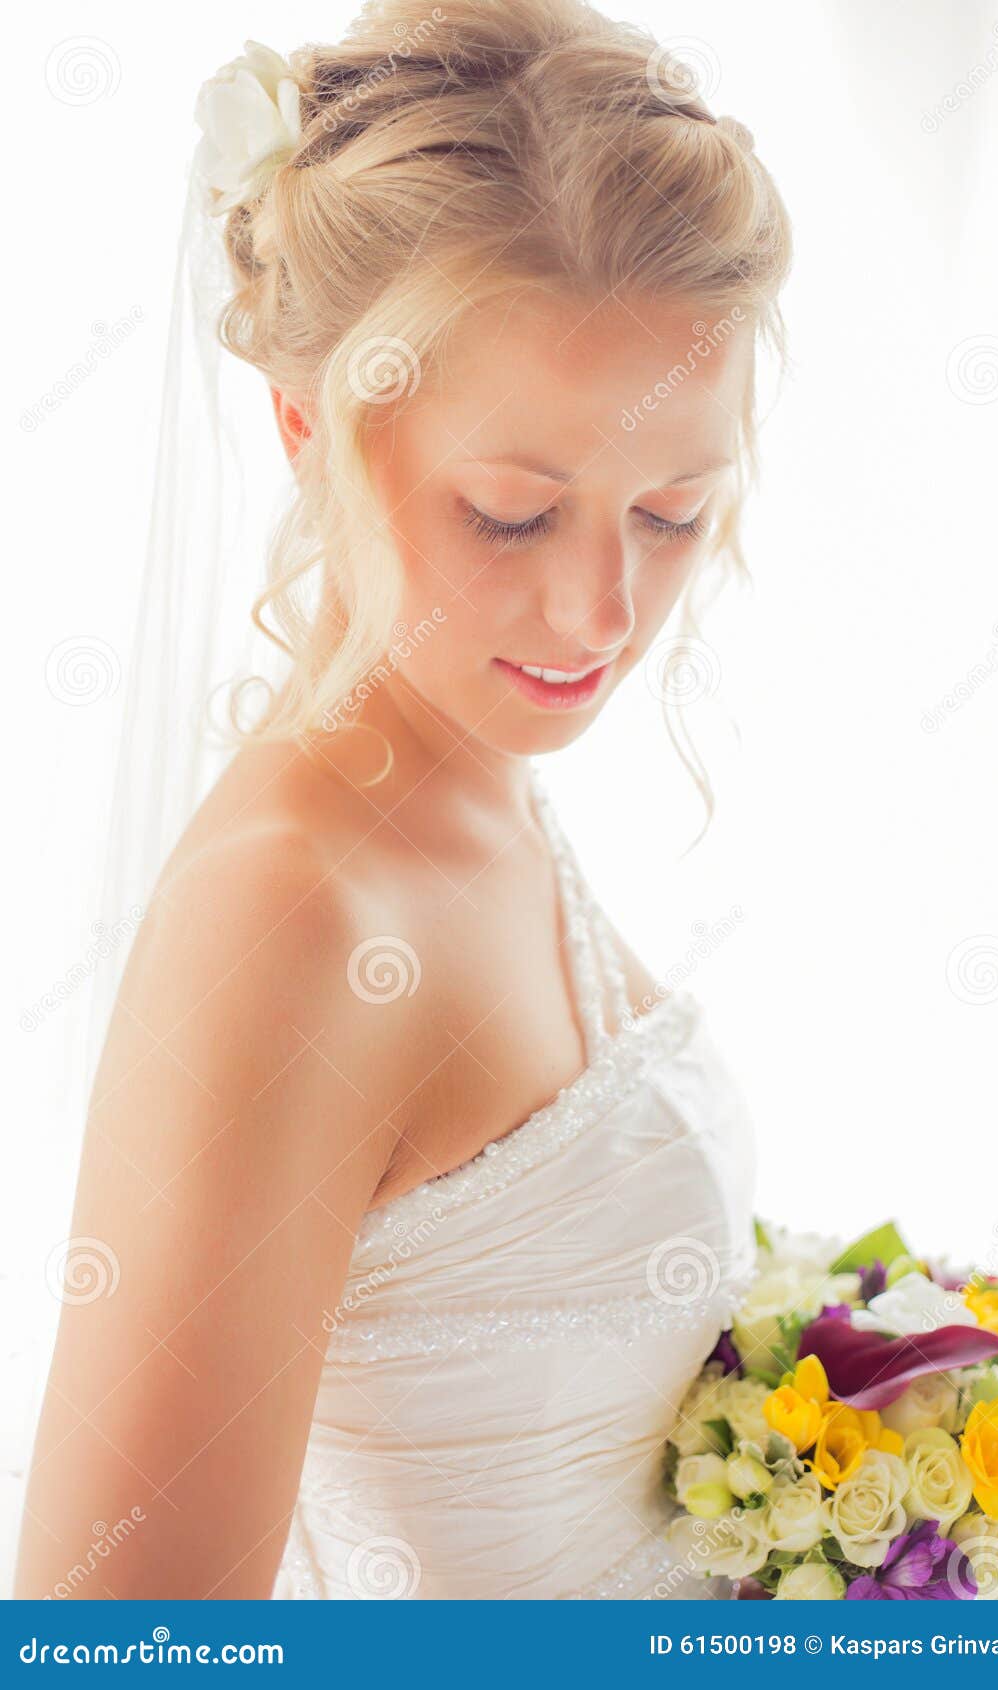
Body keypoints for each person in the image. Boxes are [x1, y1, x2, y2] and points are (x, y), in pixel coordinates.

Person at [14, 0, 792, 1600]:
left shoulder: (475, 770)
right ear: (312, 429)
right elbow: (126, 1638)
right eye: (513, 514)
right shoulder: (297, 908)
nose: (599, 612)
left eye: (671, 509)